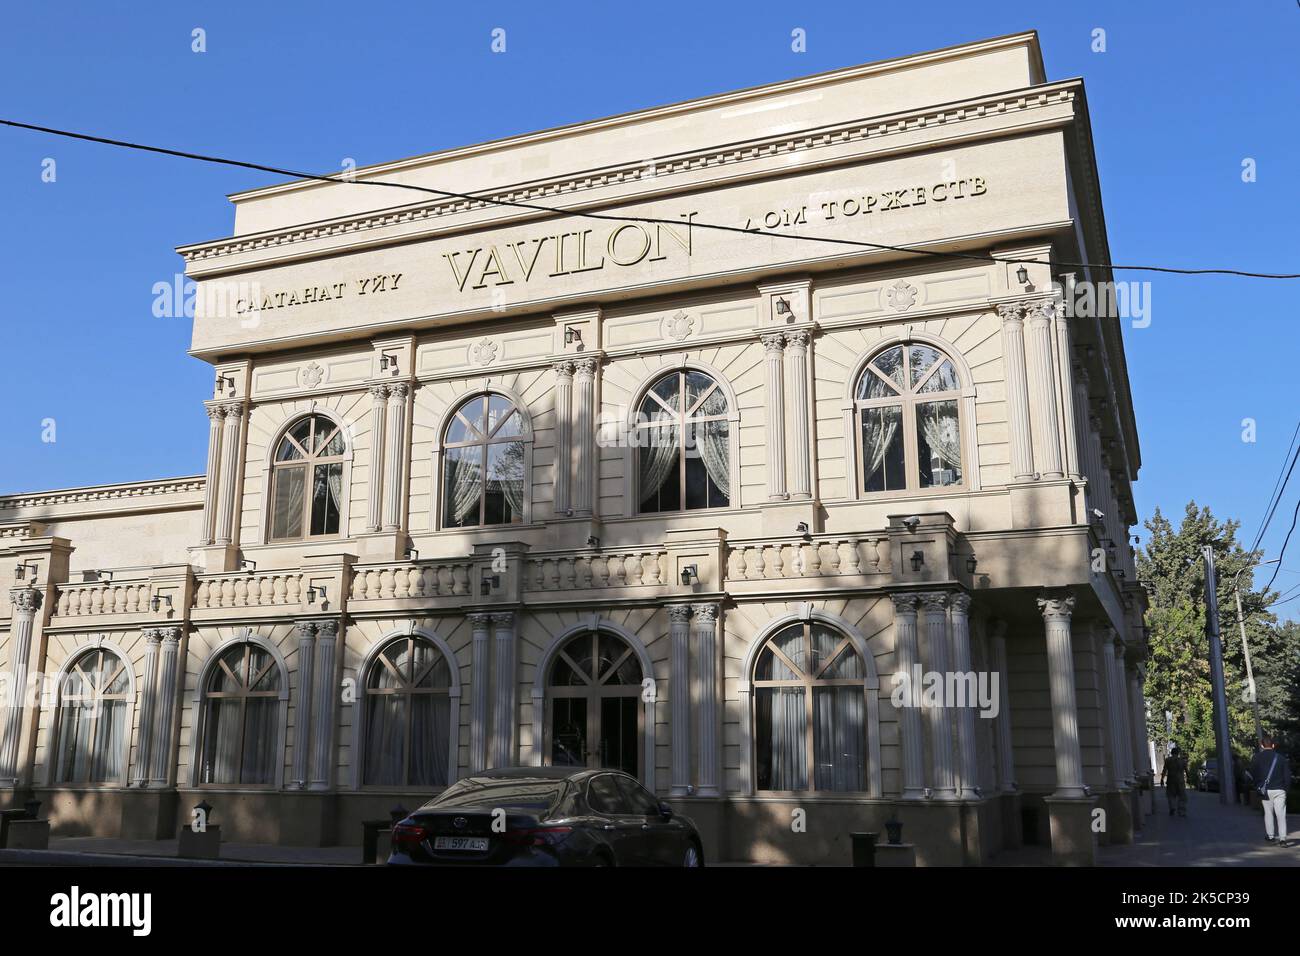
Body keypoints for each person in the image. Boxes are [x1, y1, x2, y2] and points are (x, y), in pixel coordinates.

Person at [1250, 735, 1292, 844]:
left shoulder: (1256, 758)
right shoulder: (1281, 758)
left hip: (1265, 790)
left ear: (1262, 745)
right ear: (1273, 745)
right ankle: (1283, 839)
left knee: (1268, 813)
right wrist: (1286, 789)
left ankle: (1271, 836)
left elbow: (1254, 774)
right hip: (1280, 789)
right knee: (1281, 815)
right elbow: (1287, 775)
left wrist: (1257, 786)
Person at [1161, 745, 1188, 817]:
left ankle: (1172, 807)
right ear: (1178, 753)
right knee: (1182, 796)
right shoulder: (1182, 761)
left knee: (1170, 795)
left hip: (1171, 780)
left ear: (1172, 753)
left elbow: (1164, 770)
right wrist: (1189, 778)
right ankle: (1181, 811)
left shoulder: (1168, 760)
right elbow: (1186, 770)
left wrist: (1162, 779)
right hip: (1180, 781)